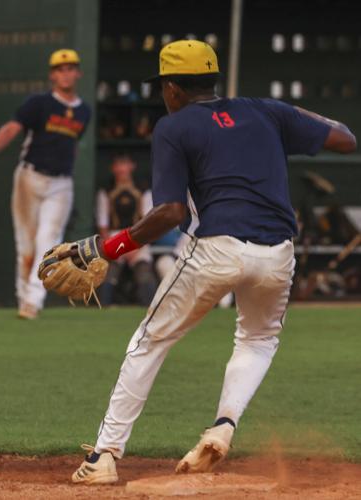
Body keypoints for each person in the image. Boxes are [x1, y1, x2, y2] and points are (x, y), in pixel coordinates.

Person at [48, 40, 356, 485]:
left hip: (218, 248)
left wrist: (106, 248)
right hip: (278, 252)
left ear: (172, 88)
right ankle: (223, 426)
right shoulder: (265, 111)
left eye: (162, 88)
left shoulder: (173, 127)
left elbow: (172, 212)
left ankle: (104, 456)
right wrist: (287, 116)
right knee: (257, 339)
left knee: (150, 341)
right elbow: (345, 138)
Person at [0, 49, 91, 320]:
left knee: (48, 243)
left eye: (71, 68)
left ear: (78, 73)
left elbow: (72, 146)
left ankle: (33, 302)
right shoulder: (39, 103)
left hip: (61, 183)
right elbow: (11, 129)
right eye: (61, 69)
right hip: (30, 177)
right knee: (26, 245)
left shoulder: (84, 111)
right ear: (52, 75)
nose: (66, 73)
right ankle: (23, 296)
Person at [95, 155, 157, 306]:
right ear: (113, 168)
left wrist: (135, 246)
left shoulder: (143, 190)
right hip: (114, 237)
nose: (122, 169)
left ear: (132, 166)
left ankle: (149, 310)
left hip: (138, 237)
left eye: (125, 164)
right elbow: (102, 225)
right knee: (108, 273)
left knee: (144, 274)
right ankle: (103, 309)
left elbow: (148, 221)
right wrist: (113, 247)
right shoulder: (106, 191)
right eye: (118, 165)